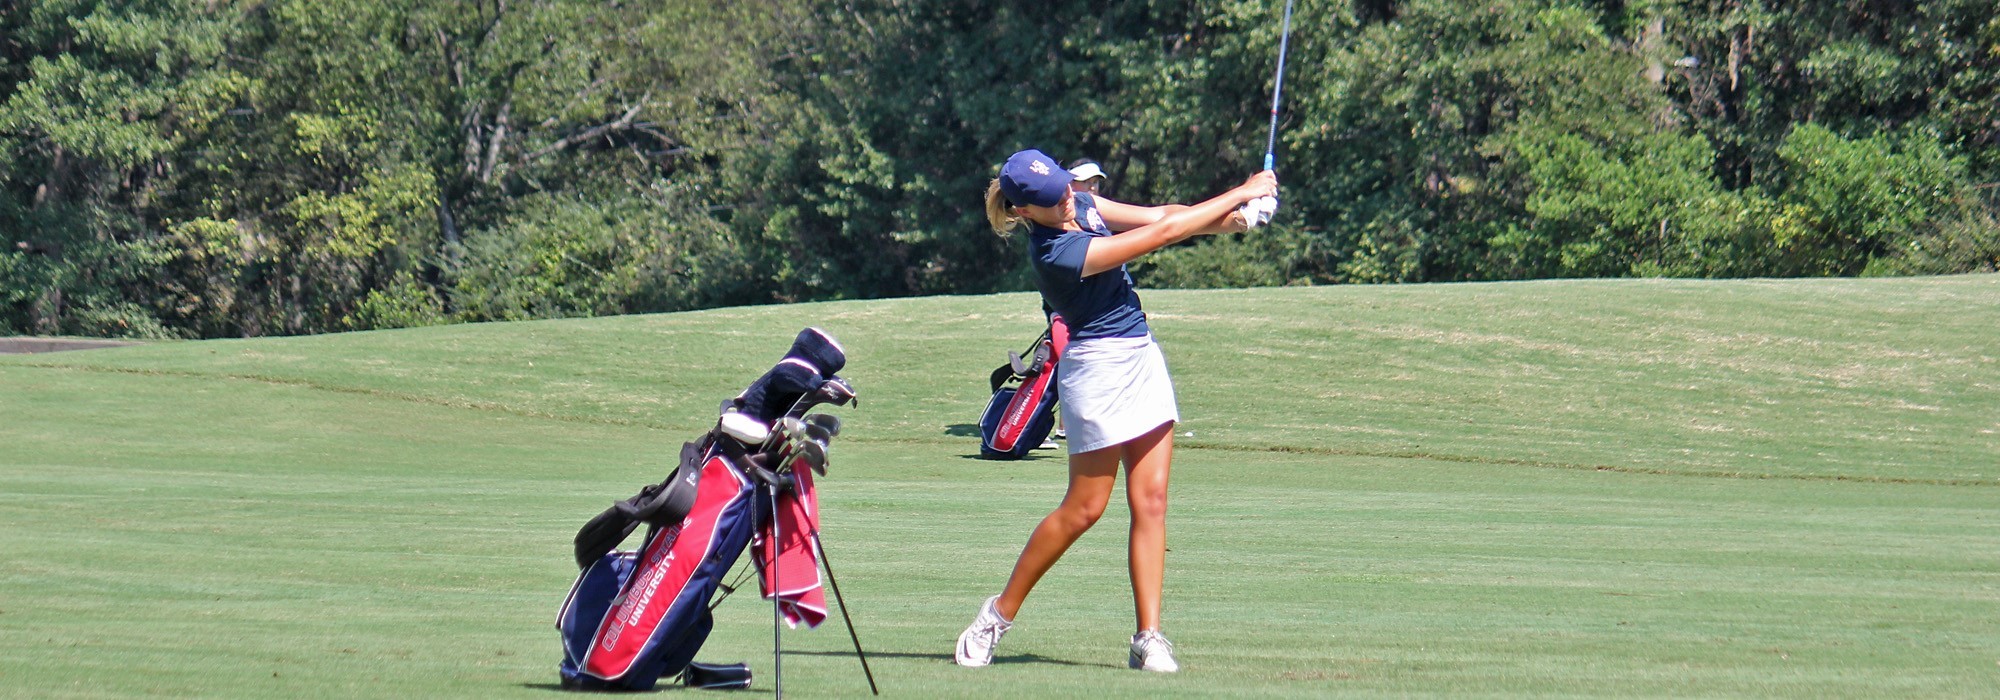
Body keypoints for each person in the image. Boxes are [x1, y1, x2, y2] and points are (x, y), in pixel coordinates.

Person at [954, 148, 1277, 673]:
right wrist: (1243, 191)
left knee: (1151, 501)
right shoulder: (1055, 253)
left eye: (1064, 185)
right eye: (1052, 197)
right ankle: (996, 616)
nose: (1066, 197)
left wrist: (1236, 221)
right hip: (1096, 369)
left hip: (1141, 356)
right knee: (1084, 509)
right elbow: (1161, 236)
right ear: (1023, 211)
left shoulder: (1080, 203)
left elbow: (1164, 215)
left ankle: (1149, 637)